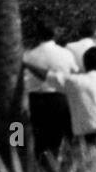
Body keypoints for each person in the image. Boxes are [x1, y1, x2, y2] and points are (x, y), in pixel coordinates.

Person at [23, 25, 78, 158]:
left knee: (38, 138)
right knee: (56, 138)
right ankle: (52, 165)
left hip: (35, 99)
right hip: (59, 99)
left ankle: (38, 164)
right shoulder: (65, 53)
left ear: (38, 35)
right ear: (55, 35)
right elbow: (74, 72)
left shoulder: (29, 55)